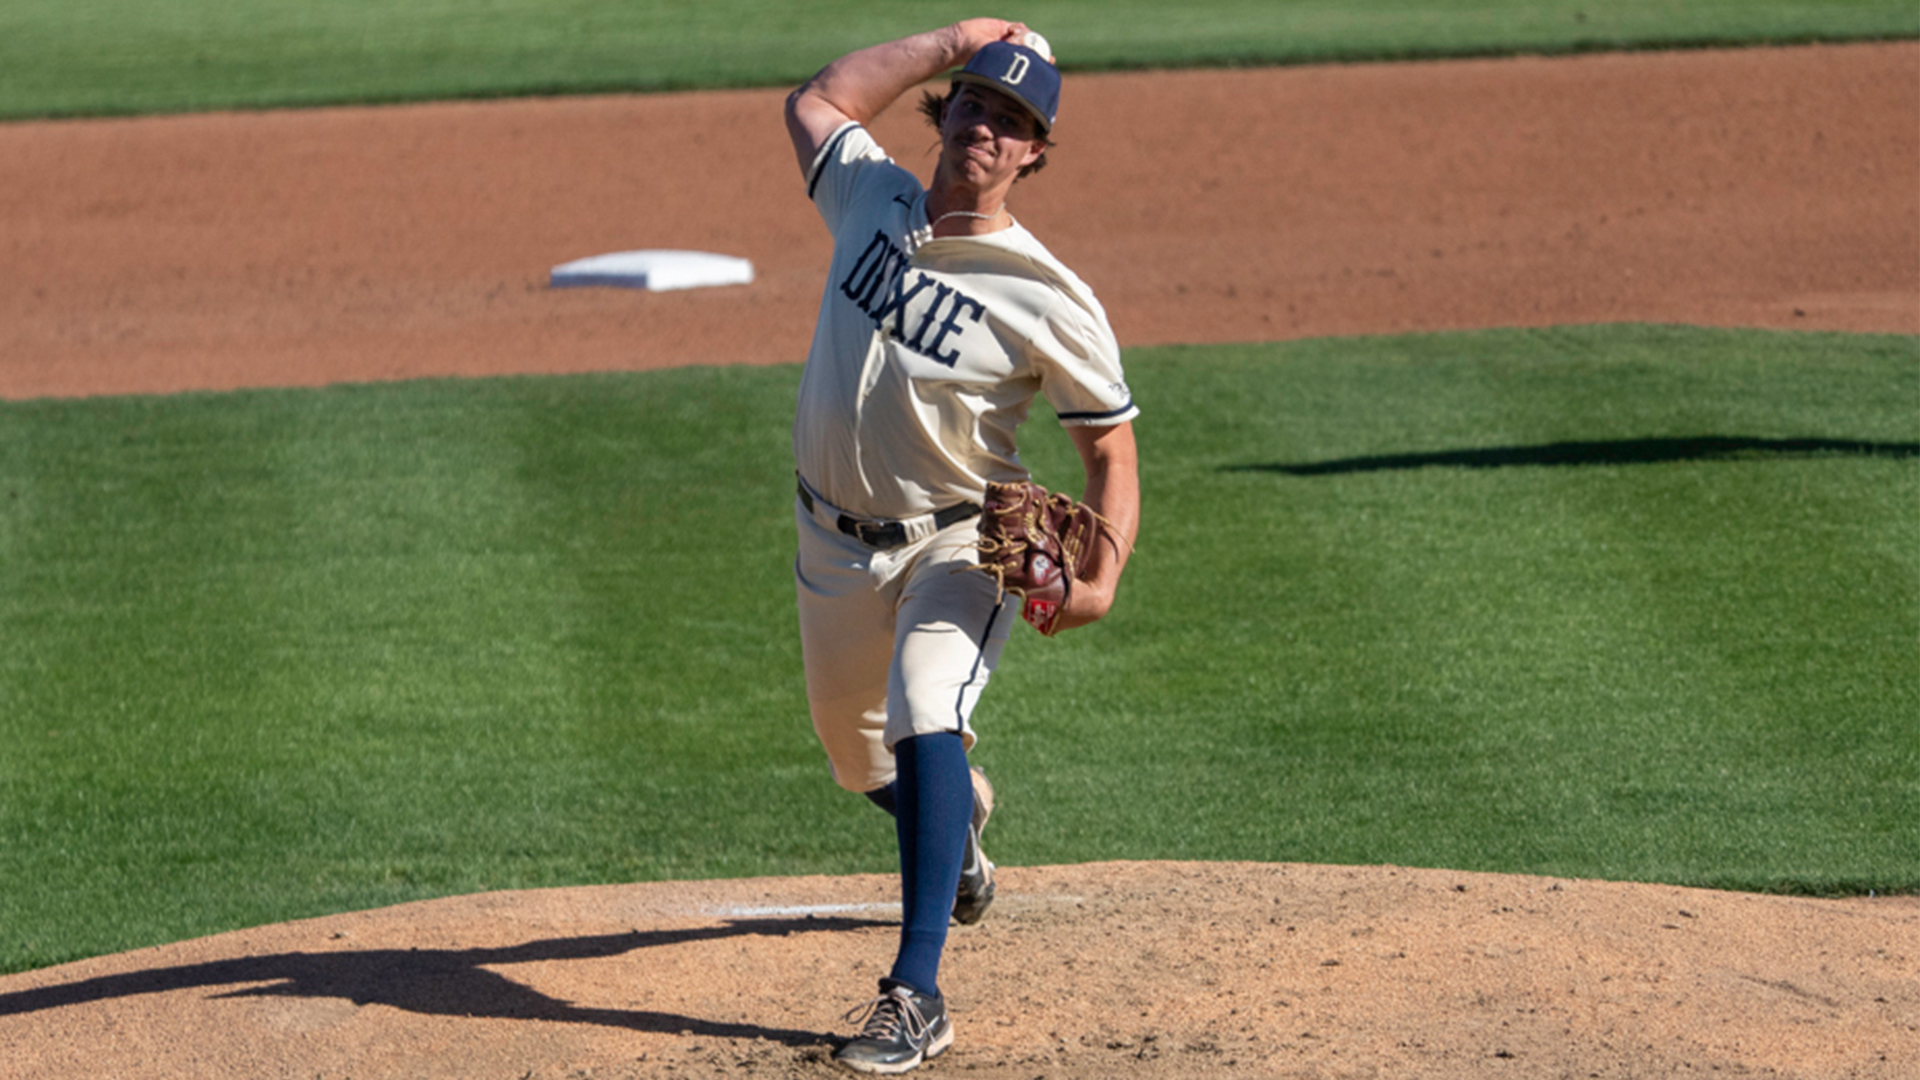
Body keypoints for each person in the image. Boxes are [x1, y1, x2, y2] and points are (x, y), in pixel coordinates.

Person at [783, 18, 1140, 1074]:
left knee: (927, 708)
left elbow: (1110, 450)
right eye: (977, 102)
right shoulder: (871, 194)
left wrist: (1102, 579)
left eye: (1014, 120)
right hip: (831, 544)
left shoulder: (1049, 295)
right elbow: (818, 100)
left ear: (1035, 152)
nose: (987, 126)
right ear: (947, 112)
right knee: (854, 755)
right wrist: (956, 38)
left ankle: (916, 993)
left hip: (959, 544)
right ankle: (960, 827)